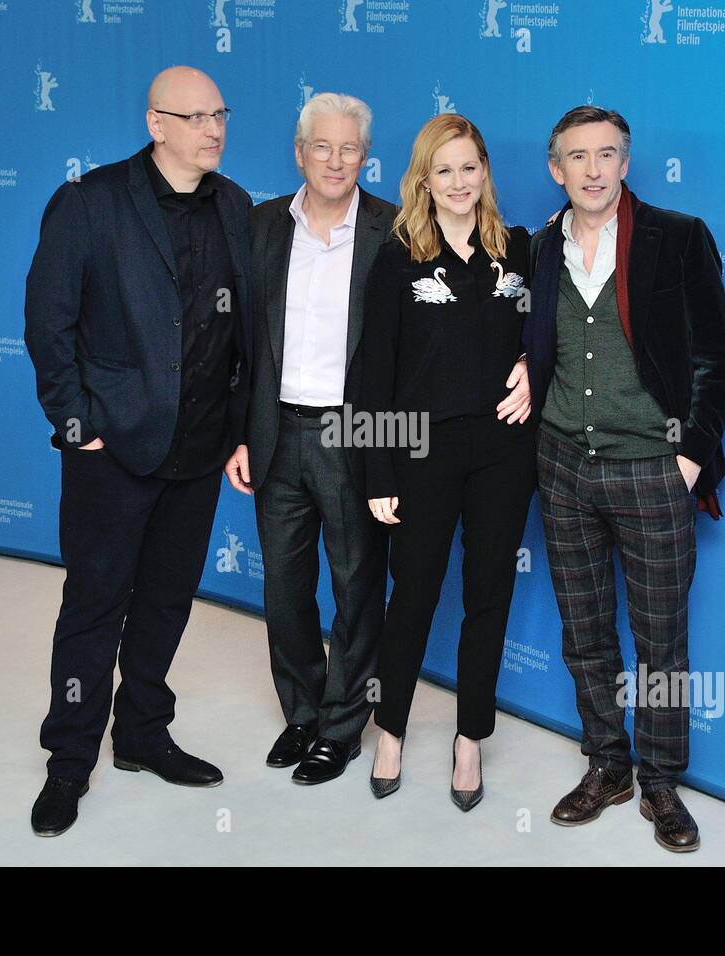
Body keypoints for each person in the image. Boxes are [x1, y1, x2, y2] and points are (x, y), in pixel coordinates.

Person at [22, 66, 252, 837]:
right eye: (195, 117)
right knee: (94, 607)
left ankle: (143, 734)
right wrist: (75, 423)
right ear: (156, 124)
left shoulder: (236, 206)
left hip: (197, 452)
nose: (214, 129)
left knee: (165, 601)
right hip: (112, 452)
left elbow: (242, 334)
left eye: (220, 114)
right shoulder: (90, 203)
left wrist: (242, 428)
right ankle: (69, 761)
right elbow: (46, 323)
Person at [524, 106, 725, 850]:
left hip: (653, 469)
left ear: (625, 161)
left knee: (661, 643)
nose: (592, 169)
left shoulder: (677, 238)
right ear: (556, 168)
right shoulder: (540, 246)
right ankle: (607, 766)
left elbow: (717, 358)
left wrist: (689, 457)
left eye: (606, 154)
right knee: (585, 635)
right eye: (577, 156)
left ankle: (661, 783)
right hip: (561, 465)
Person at [360, 114, 534, 811]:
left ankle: (470, 739)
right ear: (422, 179)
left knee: (489, 596)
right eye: (445, 170)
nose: (459, 182)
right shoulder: (397, 256)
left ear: (485, 171)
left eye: (470, 167)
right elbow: (374, 373)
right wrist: (376, 472)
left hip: (502, 452)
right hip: (420, 451)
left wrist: (531, 363)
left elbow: (549, 334)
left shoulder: (519, 249)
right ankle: (393, 729)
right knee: (415, 598)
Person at [226, 93, 396, 785]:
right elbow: (240, 341)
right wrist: (239, 433)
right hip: (277, 431)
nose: (334, 160)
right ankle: (301, 714)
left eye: (348, 148)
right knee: (285, 587)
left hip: (355, 434)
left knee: (357, 588)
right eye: (321, 147)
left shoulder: (396, 227)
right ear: (299, 153)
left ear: (365, 154)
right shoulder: (262, 225)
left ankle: (342, 725)